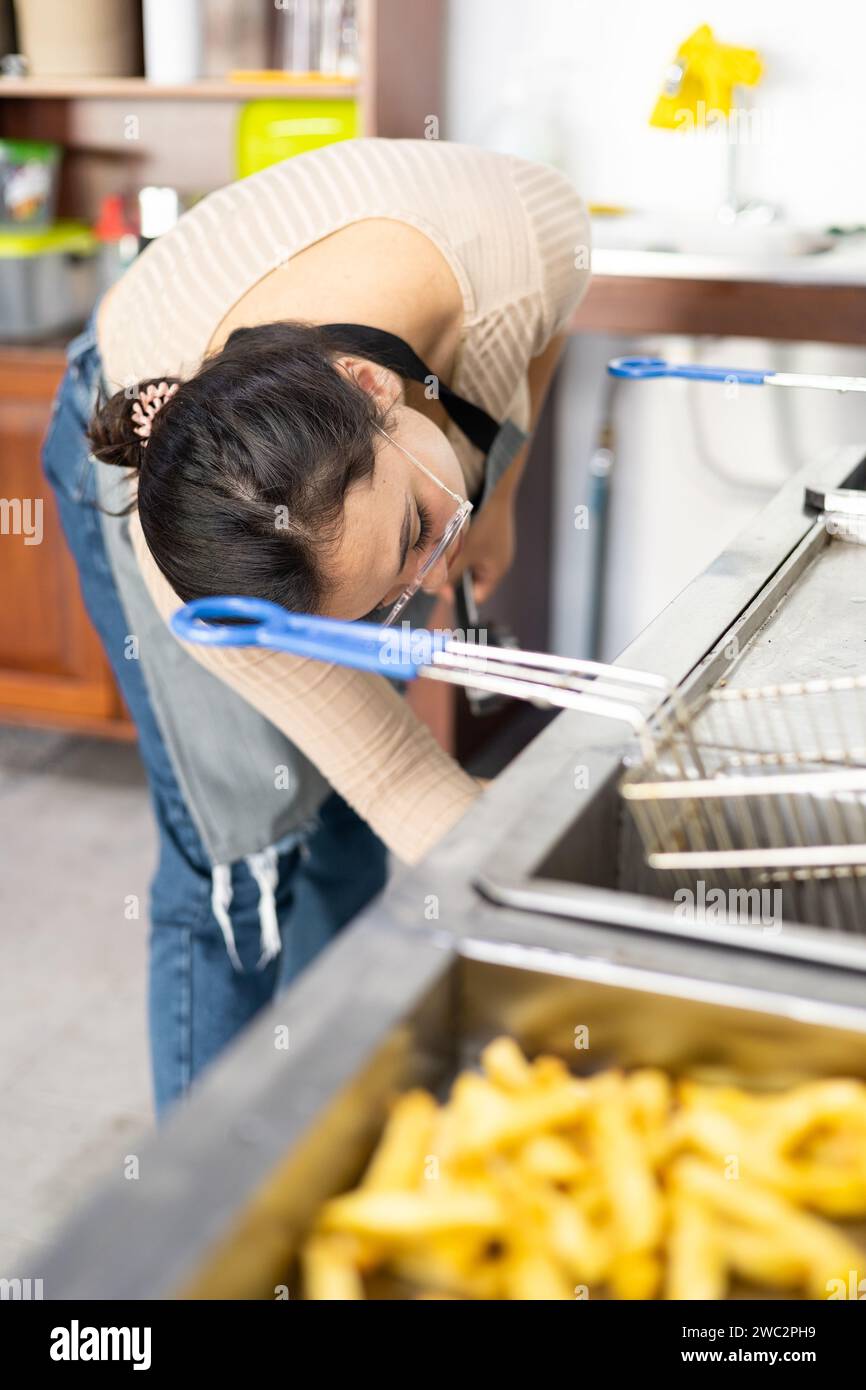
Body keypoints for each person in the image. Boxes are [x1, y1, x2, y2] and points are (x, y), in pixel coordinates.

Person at [41, 137, 590, 1116]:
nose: (414, 598)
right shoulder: (210, 577)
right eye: (381, 598)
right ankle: (205, 1206)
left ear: (370, 385)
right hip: (138, 434)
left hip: (340, 423)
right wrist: (565, 937)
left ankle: (317, 1100)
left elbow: (543, 324)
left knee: (338, 820)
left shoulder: (526, 239)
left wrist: (489, 502)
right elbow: (396, 775)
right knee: (236, 859)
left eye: (415, 542)